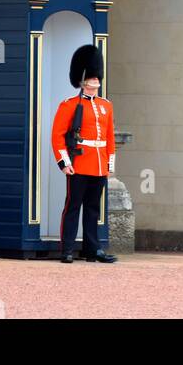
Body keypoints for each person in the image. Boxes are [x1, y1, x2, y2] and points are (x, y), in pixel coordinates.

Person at [50, 45, 118, 264]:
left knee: (93, 209)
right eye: (91, 77)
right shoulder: (69, 105)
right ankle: (67, 249)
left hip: (99, 165)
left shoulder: (106, 106)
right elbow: (57, 136)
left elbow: (109, 138)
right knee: (73, 207)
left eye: (97, 77)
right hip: (79, 163)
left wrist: (109, 165)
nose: (96, 81)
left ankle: (93, 249)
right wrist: (64, 162)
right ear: (83, 81)